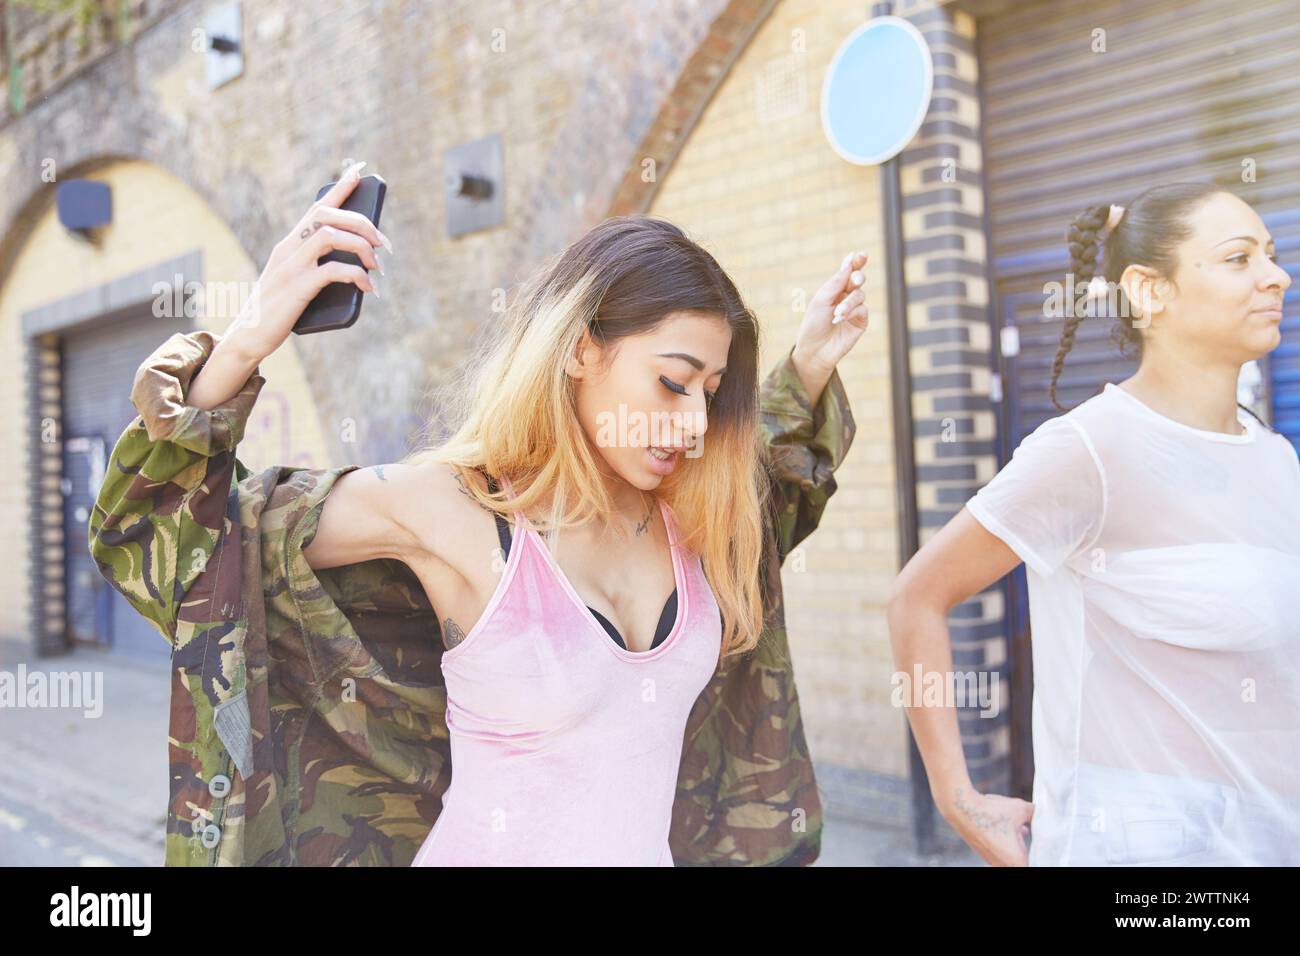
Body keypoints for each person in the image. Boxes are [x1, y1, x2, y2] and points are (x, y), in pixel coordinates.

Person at [173, 161, 869, 865]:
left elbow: (766, 488)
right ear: (579, 351)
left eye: (711, 393)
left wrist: (808, 366)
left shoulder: (696, 522)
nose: (694, 422)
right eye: (672, 381)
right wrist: (250, 336)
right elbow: (192, 540)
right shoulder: (454, 511)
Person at [887, 182, 1300, 866]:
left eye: (1273, 255)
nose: (1276, 275)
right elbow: (915, 599)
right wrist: (957, 795)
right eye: (1238, 258)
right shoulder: (1091, 448)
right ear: (1149, 289)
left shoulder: (1277, 457)